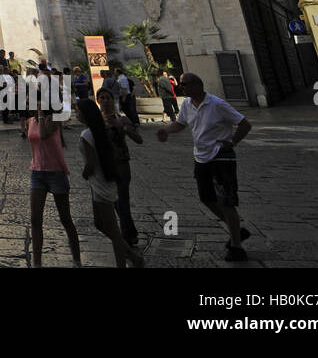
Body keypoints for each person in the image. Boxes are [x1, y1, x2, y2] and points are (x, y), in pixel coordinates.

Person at [157, 73, 252, 262]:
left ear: (197, 85)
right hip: (200, 157)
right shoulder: (186, 104)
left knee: (226, 201)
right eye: (181, 85)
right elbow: (180, 123)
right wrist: (166, 130)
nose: (182, 88)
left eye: (185, 85)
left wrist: (232, 142)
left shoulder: (217, 104)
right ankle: (237, 231)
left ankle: (236, 246)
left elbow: (244, 124)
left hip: (221, 157)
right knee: (207, 199)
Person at [78, 98, 144, 268]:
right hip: (104, 181)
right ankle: (131, 255)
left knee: (113, 230)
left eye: (78, 111)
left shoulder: (87, 134)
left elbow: (91, 163)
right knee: (100, 223)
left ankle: (126, 262)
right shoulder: (100, 130)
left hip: (99, 183)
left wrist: (85, 173)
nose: (76, 113)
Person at [24, 99, 81, 267]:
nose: (32, 105)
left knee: (65, 218)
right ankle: (37, 263)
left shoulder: (54, 120)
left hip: (56, 172)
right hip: (37, 172)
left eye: (37, 103)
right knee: (35, 219)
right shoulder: (30, 121)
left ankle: (77, 259)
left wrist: (41, 116)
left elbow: (43, 135)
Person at [97, 86, 142, 246]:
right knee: (114, 202)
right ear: (98, 101)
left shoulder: (122, 119)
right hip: (104, 165)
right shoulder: (96, 121)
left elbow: (138, 139)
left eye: (107, 97)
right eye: (101, 98)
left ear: (112, 100)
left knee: (122, 200)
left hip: (121, 164)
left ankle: (128, 236)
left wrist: (121, 127)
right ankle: (127, 233)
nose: (105, 101)